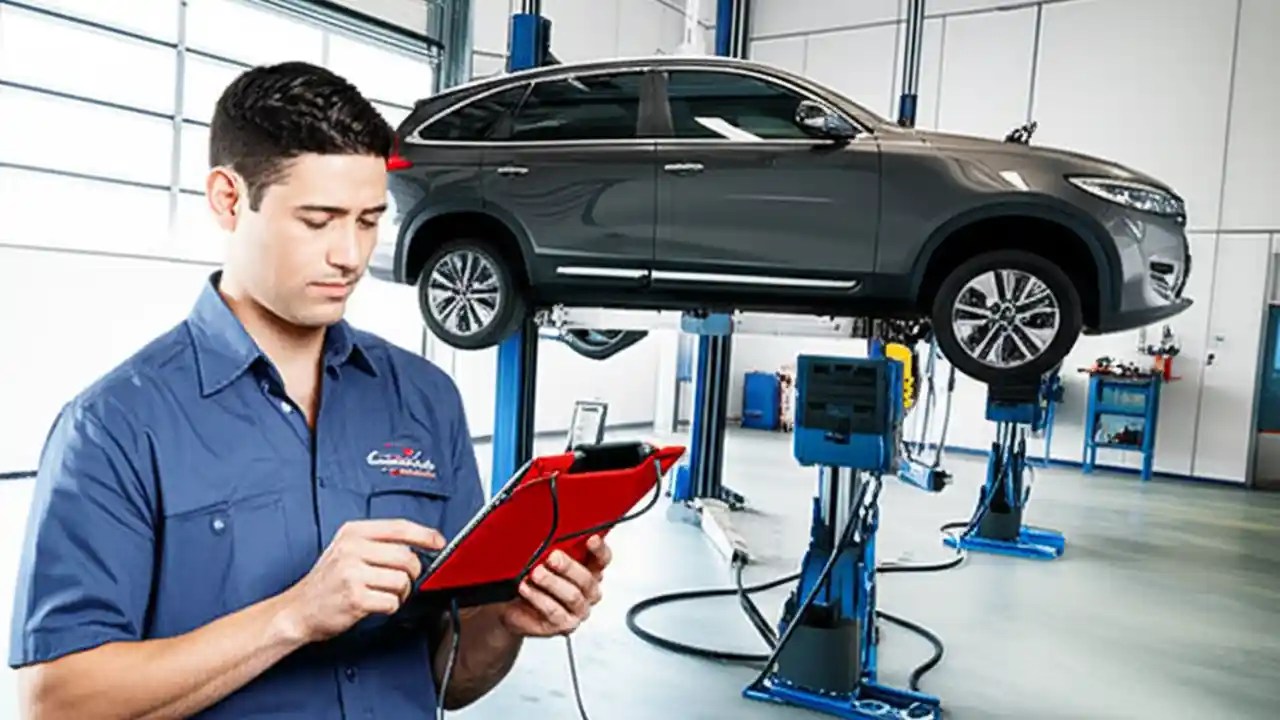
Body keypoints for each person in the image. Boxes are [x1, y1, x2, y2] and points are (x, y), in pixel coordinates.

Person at [8, 61, 612, 719]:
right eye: (319, 220)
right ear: (228, 199)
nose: (350, 254)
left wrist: (506, 621)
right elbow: (56, 703)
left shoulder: (425, 399)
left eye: (368, 220)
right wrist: (295, 613)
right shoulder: (116, 425)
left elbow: (449, 677)